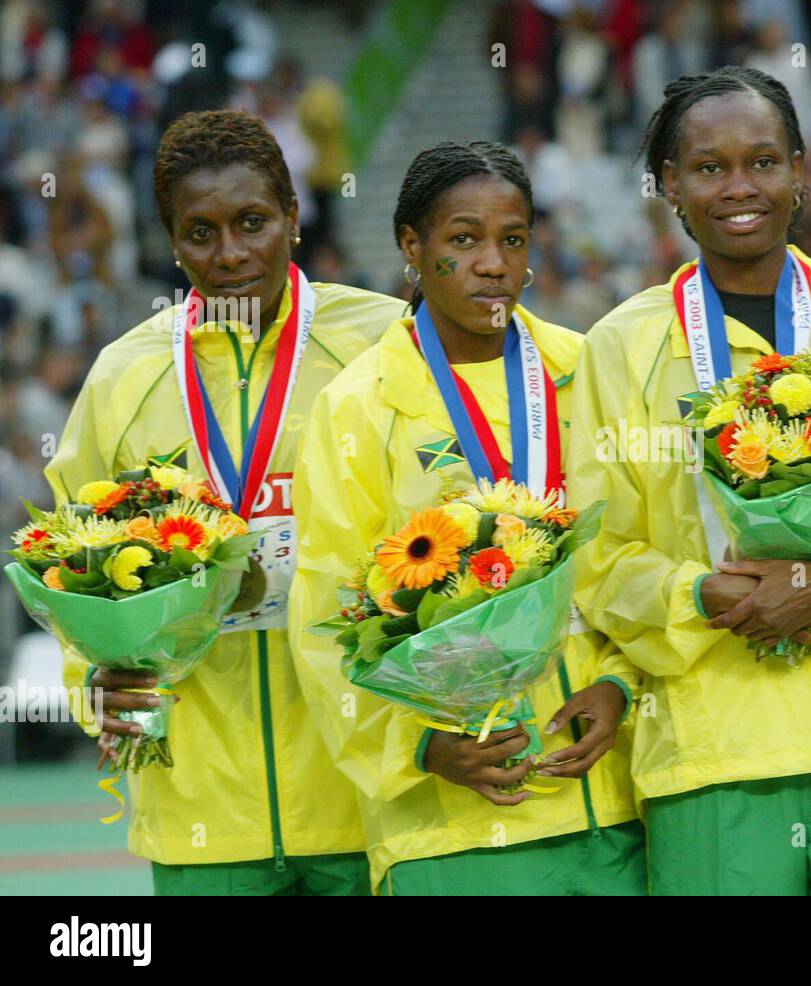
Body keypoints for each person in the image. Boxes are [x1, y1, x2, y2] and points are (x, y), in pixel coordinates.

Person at [566, 66, 811, 896]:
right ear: (669, 184)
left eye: (764, 162)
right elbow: (599, 557)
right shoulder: (620, 348)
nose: (740, 188)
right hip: (709, 755)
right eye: (709, 168)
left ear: (801, 170)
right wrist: (706, 595)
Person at [49, 109, 405, 895]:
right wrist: (93, 684)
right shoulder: (124, 375)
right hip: (201, 810)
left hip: (366, 793)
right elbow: (70, 562)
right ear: (171, 243)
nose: (231, 253)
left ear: (293, 217)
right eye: (199, 233)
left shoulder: (383, 343)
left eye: (252, 222)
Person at [288, 142, 645, 896]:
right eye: (463, 240)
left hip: (603, 802)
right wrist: (419, 747)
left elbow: (636, 551)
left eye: (513, 241)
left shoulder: (587, 373)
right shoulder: (357, 407)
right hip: (442, 829)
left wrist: (619, 687)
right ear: (411, 247)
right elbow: (325, 613)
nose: (493, 264)